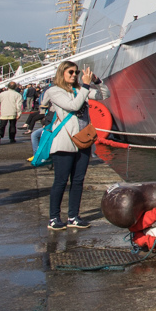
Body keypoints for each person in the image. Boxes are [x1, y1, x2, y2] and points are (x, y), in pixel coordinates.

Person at [42, 62, 99, 231]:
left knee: (78, 180)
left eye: (76, 72)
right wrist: (86, 86)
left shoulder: (80, 90)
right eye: (71, 72)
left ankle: (73, 216)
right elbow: (73, 106)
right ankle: (54, 217)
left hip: (83, 140)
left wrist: (97, 81)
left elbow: (105, 94)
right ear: (62, 73)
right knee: (60, 181)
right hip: (65, 142)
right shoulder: (54, 91)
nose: (74, 75)